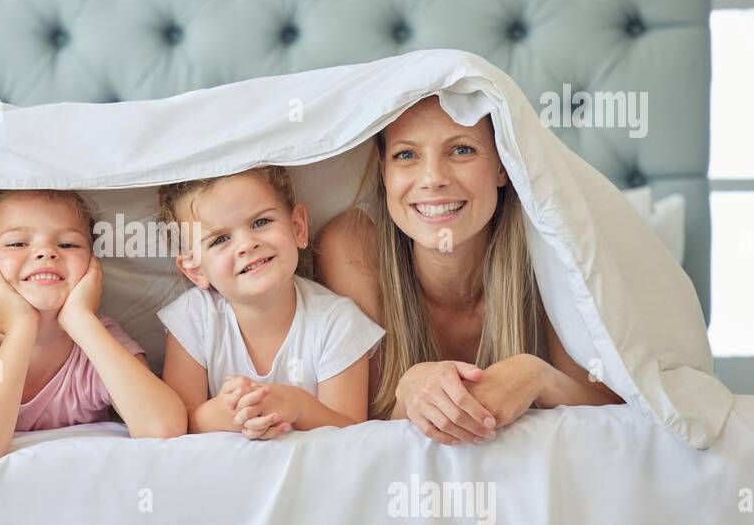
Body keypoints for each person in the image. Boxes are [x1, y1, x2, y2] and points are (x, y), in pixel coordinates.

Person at [315, 95, 621, 446]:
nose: (432, 179)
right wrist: (408, 388)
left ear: (502, 166)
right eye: (406, 155)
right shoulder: (352, 248)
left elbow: (622, 409)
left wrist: (537, 376)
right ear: (384, 172)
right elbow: (356, 431)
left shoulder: (548, 246)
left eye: (461, 150)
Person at [0, 189, 186, 463]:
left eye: (68, 244)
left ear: (94, 268)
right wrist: (21, 328)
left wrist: (81, 320)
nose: (47, 252)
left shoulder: (98, 341)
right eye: (17, 243)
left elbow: (164, 428)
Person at [156, 166, 383, 439]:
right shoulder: (192, 319)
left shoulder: (338, 322)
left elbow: (355, 435)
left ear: (298, 227)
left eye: (260, 222)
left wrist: (297, 406)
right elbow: (177, 428)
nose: (246, 244)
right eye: (220, 240)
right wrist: (227, 413)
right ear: (196, 270)